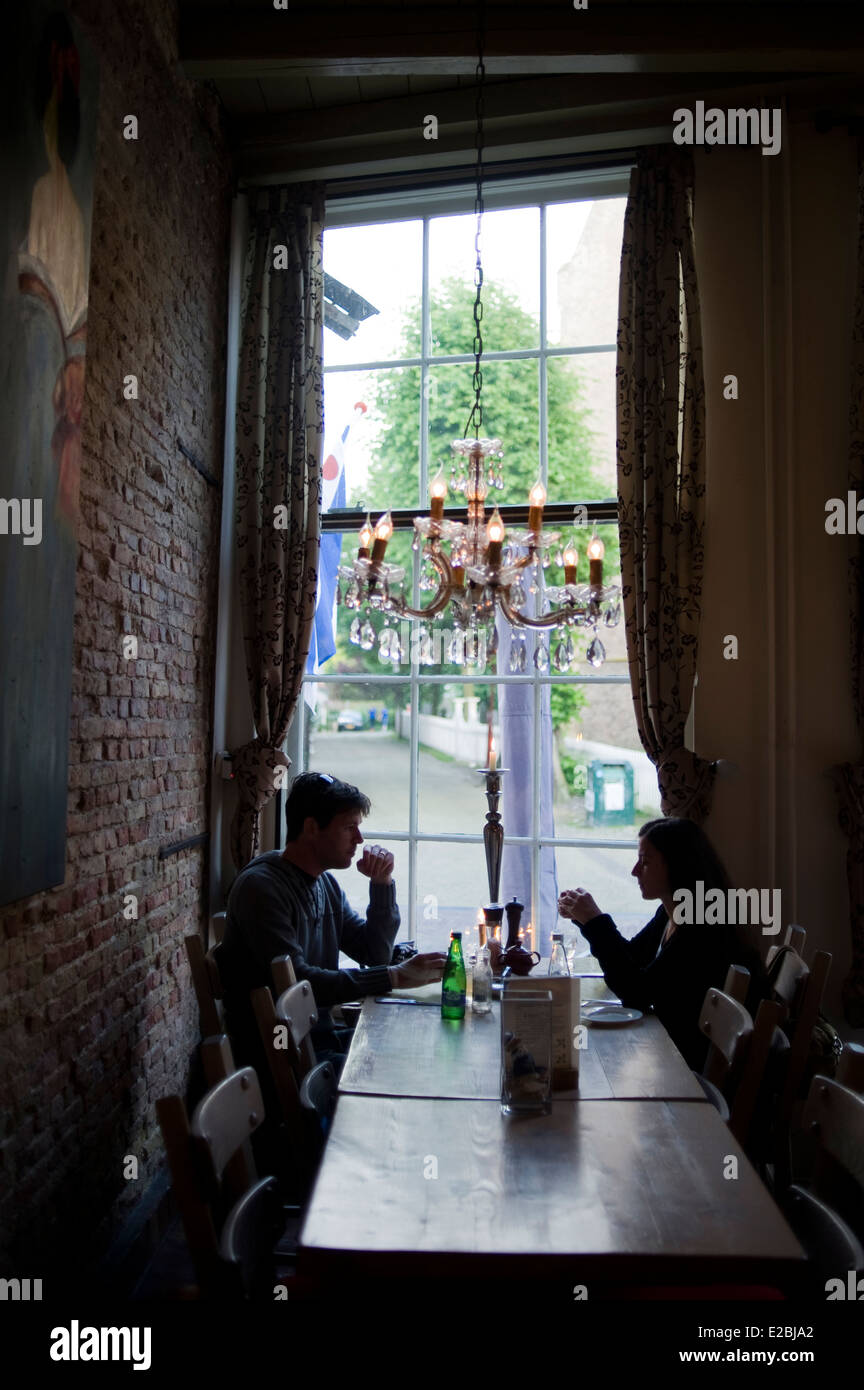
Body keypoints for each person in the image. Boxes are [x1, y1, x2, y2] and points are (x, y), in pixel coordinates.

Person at [217, 772, 446, 1063]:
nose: (360, 839)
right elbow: (298, 982)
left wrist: (382, 885)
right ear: (312, 828)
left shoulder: (325, 884)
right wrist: (396, 976)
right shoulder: (261, 888)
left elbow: (374, 953)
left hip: (318, 1042)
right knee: (403, 1067)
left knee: (415, 1045)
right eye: (350, 828)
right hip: (283, 1059)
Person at [558, 817, 770, 1070]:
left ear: (678, 866)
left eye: (645, 862)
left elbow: (635, 992)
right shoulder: (672, 912)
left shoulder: (702, 930)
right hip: (673, 1049)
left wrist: (596, 923)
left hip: (688, 1066)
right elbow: (634, 956)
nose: (635, 870)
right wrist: (588, 920)